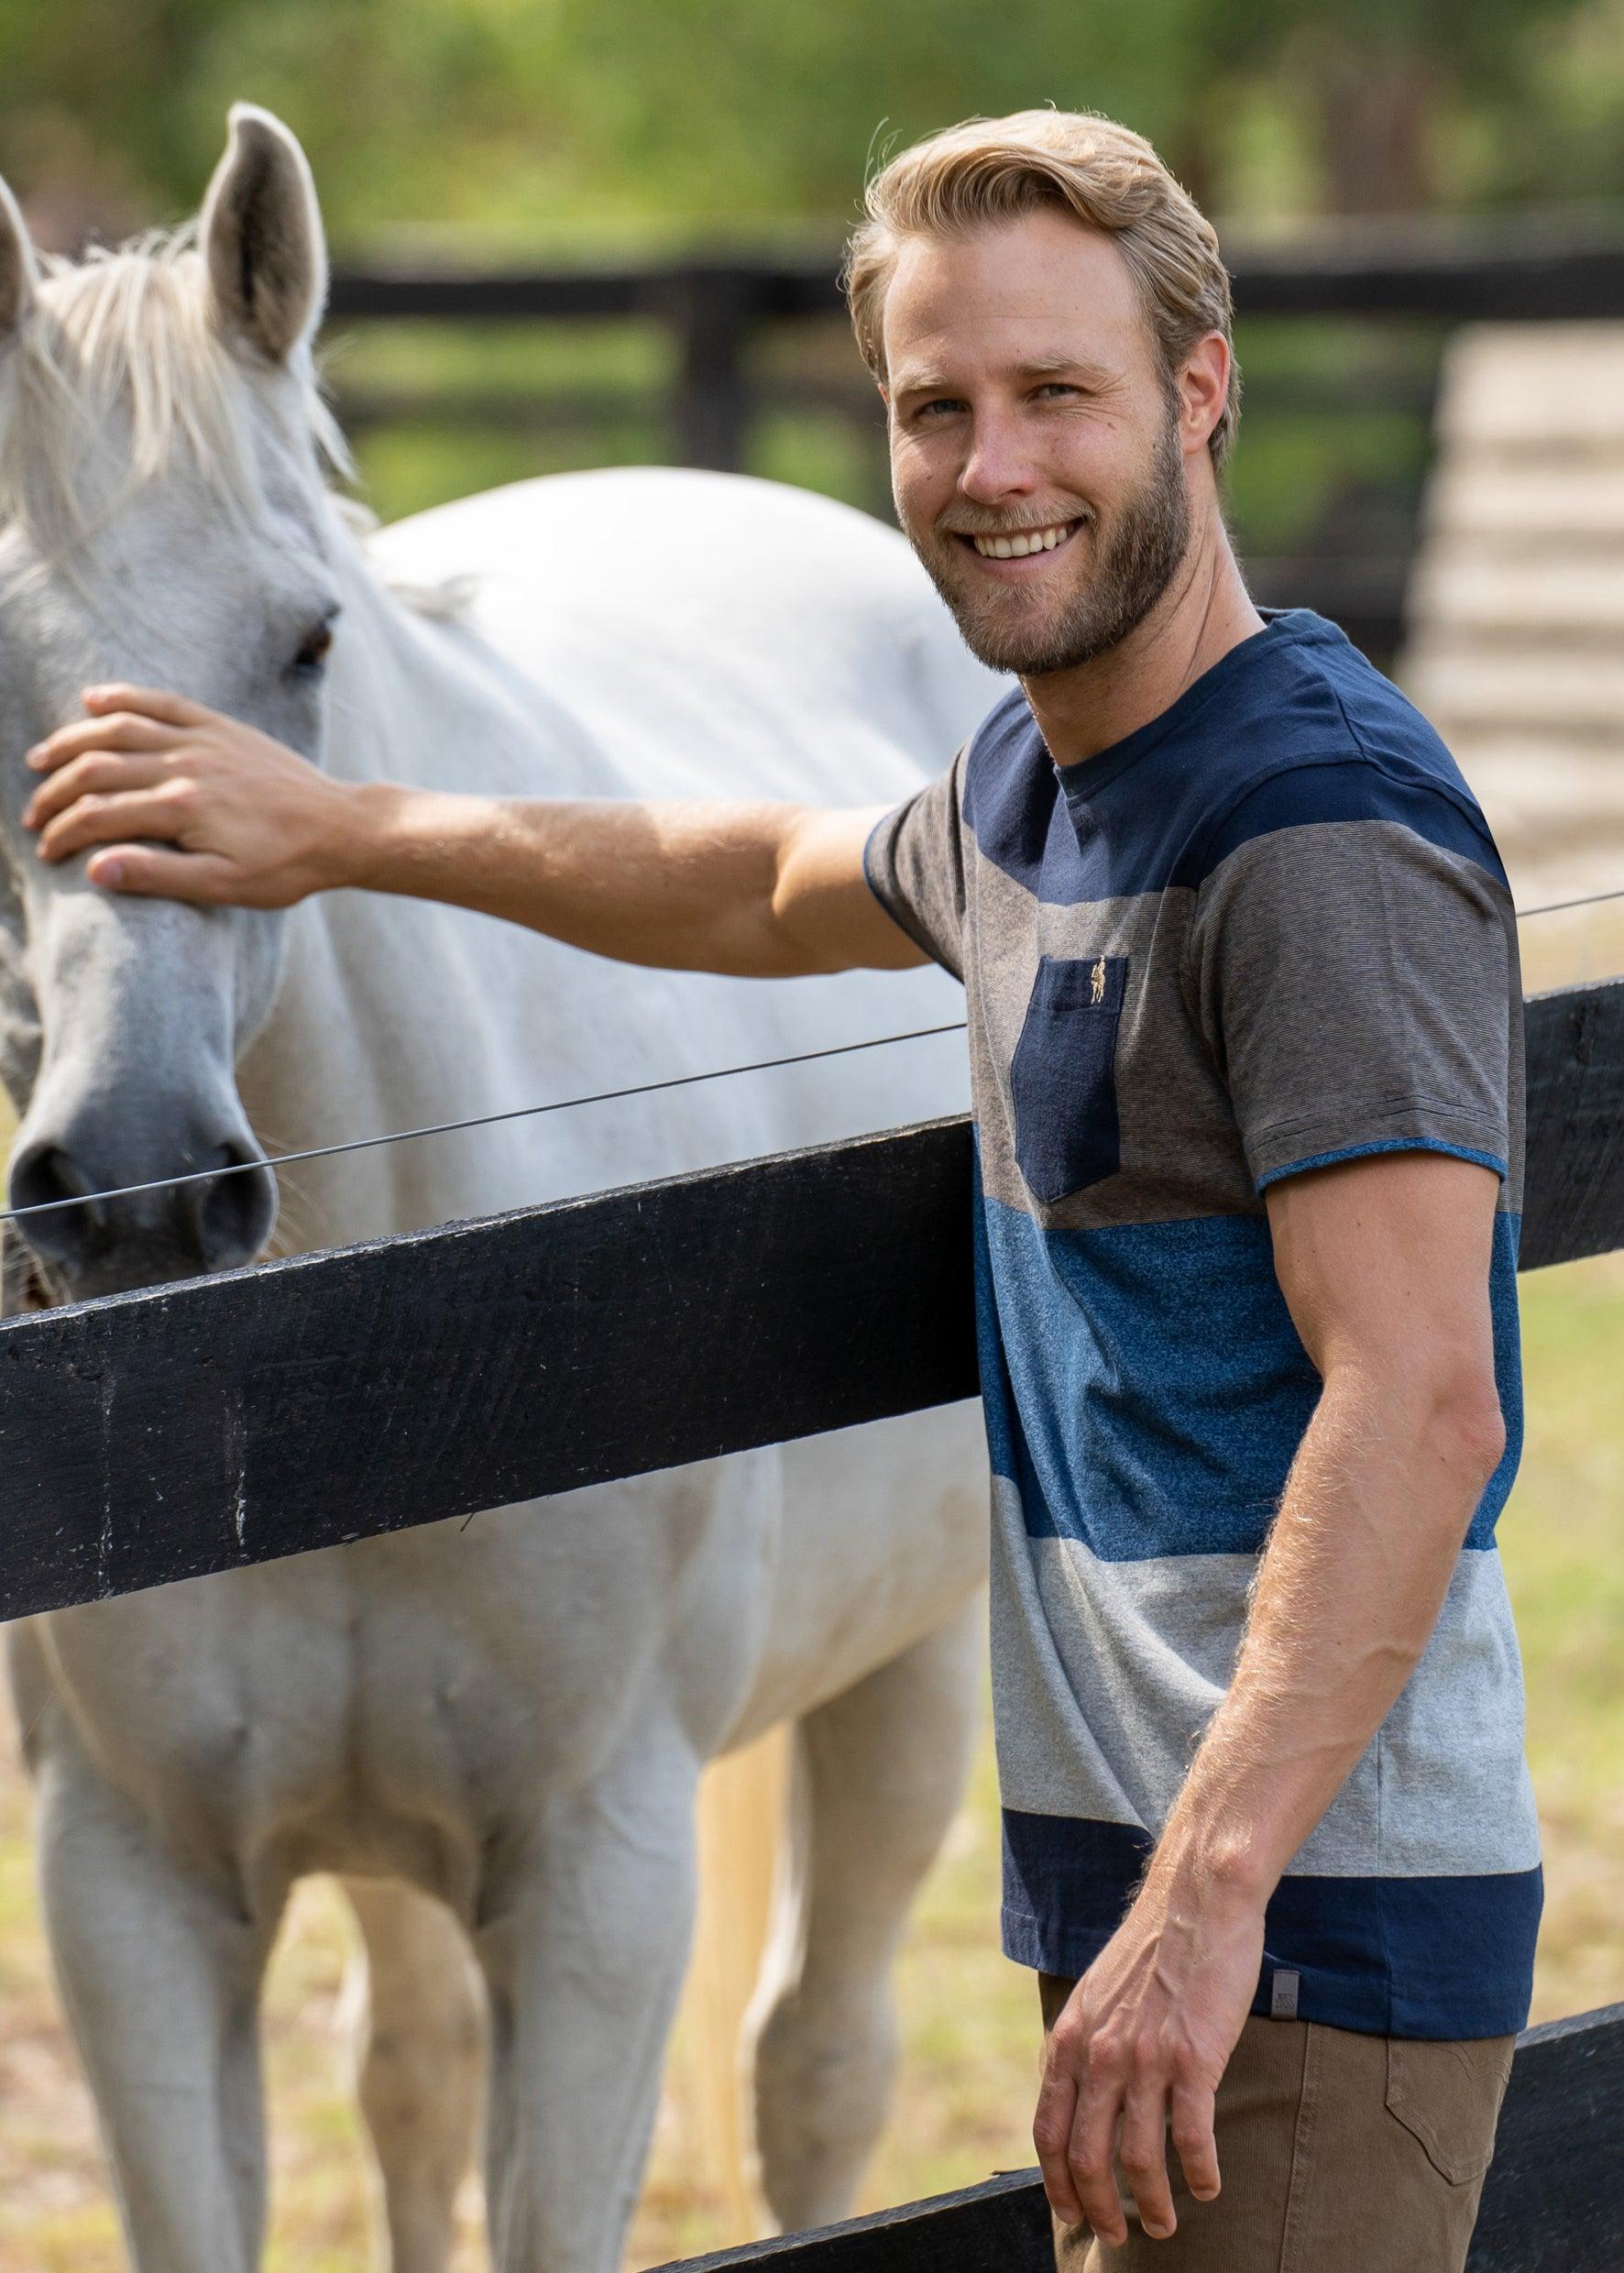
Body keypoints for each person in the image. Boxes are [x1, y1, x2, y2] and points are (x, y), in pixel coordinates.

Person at [21, 108, 1536, 2273]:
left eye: (1055, 392)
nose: (989, 467)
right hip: (1166, 1915)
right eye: (933, 408)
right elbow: (752, 876)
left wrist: (1203, 1914)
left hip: (1300, 1932)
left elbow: (1425, 1402)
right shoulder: (1046, 790)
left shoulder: (1312, 829)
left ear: (1201, 392)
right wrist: (344, 825)